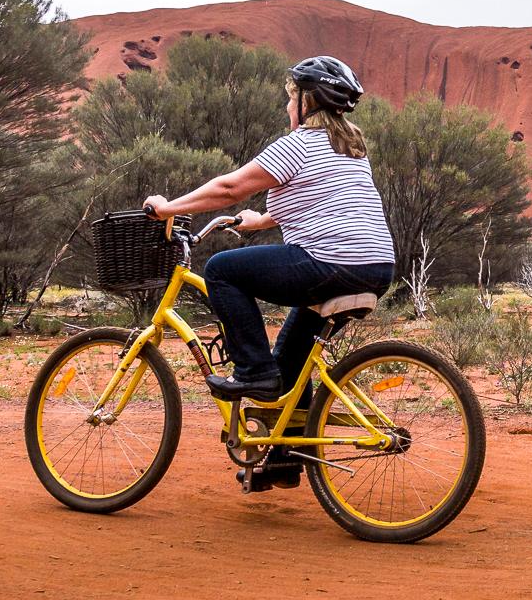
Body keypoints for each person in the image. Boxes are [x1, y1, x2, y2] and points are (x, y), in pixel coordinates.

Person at [144, 55, 396, 489]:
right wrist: (258, 221)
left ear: (305, 101)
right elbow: (324, 203)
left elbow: (229, 187)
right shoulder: (350, 150)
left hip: (330, 263)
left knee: (222, 270)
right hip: (374, 266)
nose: (287, 107)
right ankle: (280, 461)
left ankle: (252, 372)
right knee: (290, 366)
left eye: (290, 97)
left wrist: (168, 207)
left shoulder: (297, 145)